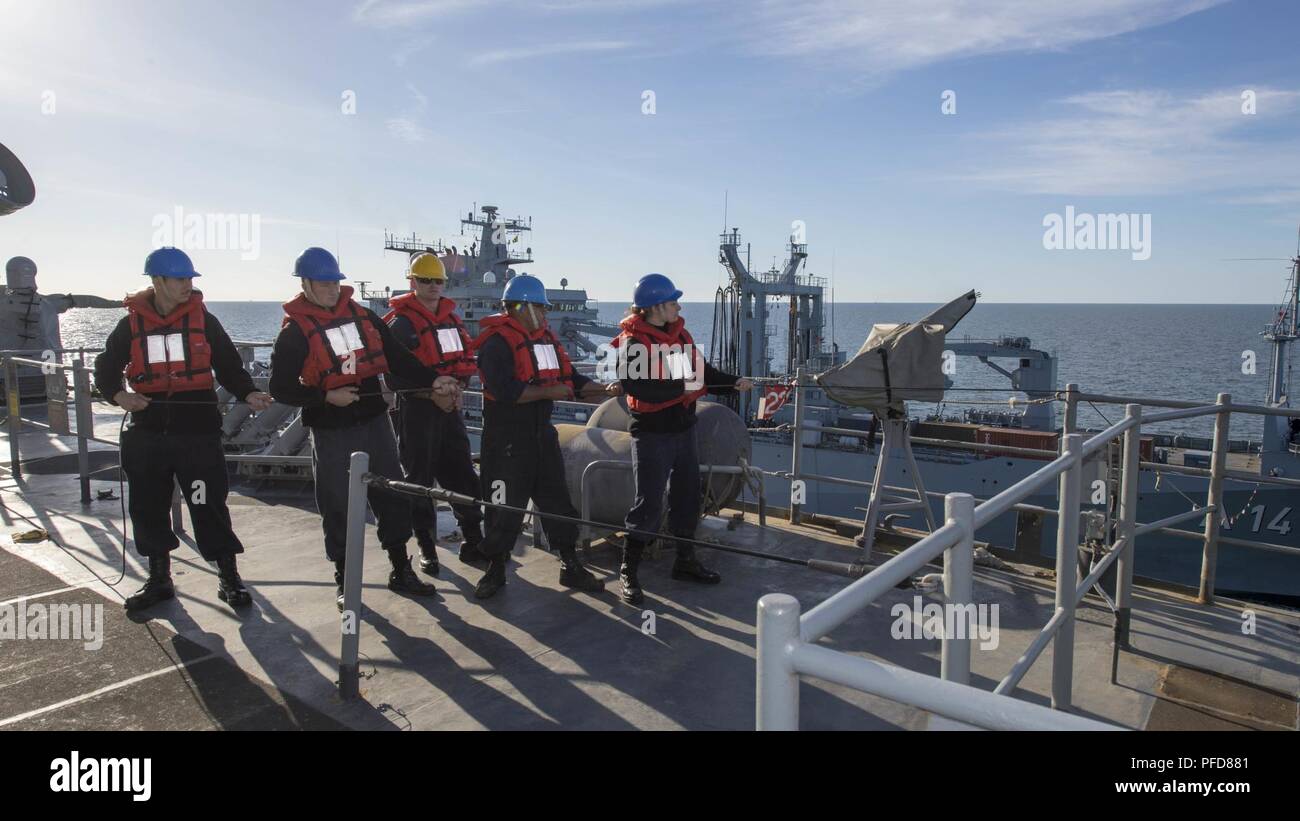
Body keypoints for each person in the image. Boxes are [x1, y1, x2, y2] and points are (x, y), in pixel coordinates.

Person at [92, 247, 274, 612]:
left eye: (191, 279)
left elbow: (228, 363)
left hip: (198, 432)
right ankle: (159, 579)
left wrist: (249, 392)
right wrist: (119, 396)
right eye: (180, 279)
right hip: (148, 431)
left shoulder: (204, 320)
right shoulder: (130, 325)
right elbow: (105, 368)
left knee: (207, 503)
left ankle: (228, 577)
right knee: (148, 505)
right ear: (157, 281)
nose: (188, 285)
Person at [269, 247, 440, 610]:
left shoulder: (362, 316)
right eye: (325, 283)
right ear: (306, 283)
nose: (332, 289)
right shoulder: (295, 332)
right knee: (338, 505)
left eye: (336, 282)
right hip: (332, 431)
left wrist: (434, 378)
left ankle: (400, 569)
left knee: (392, 495)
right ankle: (345, 579)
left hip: (375, 423)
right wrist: (325, 397)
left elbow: (396, 355)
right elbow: (280, 387)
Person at [472, 273, 619, 599]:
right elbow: (505, 390)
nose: (545, 313)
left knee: (556, 501)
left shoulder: (544, 341)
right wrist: (550, 391)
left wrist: (600, 390)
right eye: (540, 307)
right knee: (502, 505)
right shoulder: (496, 345)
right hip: (506, 441)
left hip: (541, 436)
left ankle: (570, 564)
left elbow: (569, 377)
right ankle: (495, 568)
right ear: (520, 307)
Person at [613, 273, 753, 605]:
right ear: (657, 307)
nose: (678, 305)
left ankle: (685, 561)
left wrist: (733, 382)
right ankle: (628, 572)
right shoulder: (635, 344)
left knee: (687, 497)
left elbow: (702, 372)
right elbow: (637, 387)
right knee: (647, 504)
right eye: (673, 301)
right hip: (653, 434)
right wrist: (684, 388)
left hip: (683, 430)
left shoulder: (679, 337)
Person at [384, 252, 484, 575]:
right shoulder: (400, 325)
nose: (432, 286)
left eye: (437, 280)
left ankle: (473, 539)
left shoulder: (451, 321)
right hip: (417, 413)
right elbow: (394, 376)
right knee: (420, 481)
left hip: (450, 409)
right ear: (412, 282)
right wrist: (431, 394)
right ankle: (427, 548)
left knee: (463, 476)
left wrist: (454, 389)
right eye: (424, 280)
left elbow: (464, 360)